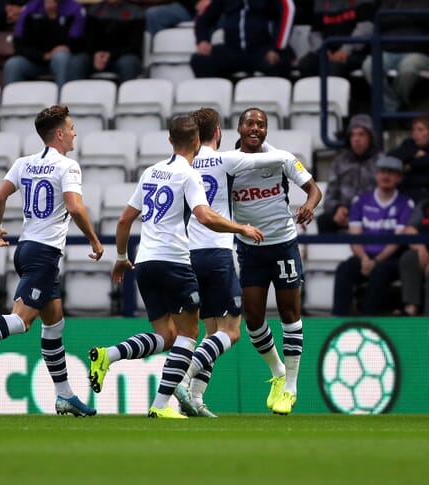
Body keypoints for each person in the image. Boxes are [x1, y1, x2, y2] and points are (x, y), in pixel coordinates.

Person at [87, 115, 264, 419]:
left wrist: (120, 257)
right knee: (188, 335)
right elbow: (205, 217)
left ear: (170, 141)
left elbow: (124, 219)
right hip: (174, 261)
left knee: (166, 337)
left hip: (143, 262)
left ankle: (108, 355)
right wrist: (241, 229)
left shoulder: (151, 171)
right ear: (197, 141)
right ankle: (160, 406)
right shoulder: (188, 174)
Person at [0, 105, 104, 417]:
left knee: (54, 325)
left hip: (27, 248)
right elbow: (75, 207)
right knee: (22, 321)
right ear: (59, 134)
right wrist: (94, 239)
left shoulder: (23, 163)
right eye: (71, 127)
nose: (75, 132)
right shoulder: (68, 166)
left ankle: (65, 396)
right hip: (44, 253)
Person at [166, 107, 297, 418]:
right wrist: (292, 161)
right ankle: (181, 378)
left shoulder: (179, 166)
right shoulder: (226, 159)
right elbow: (271, 159)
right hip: (218, 253)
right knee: (232, 330)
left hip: (186, 254)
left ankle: (196, 399)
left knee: (210, 331)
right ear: (219, 133)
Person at [232, 107, 322, 416]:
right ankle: (278, 371)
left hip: (283, 244)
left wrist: (309, 206)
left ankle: (291, 387)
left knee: (289, 313)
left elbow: (314, 190)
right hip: (249, 247)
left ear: (266, 131)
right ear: (239, 128)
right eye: (249, 123)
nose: (255, 128)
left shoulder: (282, 158)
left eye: (261, 124)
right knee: (253, 318)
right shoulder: (228, 164)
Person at [332, 156, 414, 316]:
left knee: (381, 271)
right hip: (364, 255)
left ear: (399, 177)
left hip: (391, 258)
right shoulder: (361, 201)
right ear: (376, 175)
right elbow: (354, 237)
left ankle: (368, 320)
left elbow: (396, 241)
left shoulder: (405, 203)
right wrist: (364, 258)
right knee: (345, 269)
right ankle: (338, 318)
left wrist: (376, 261)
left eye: (391, 173)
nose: (386, 176)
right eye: (382, 172)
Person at [190, 0, 295, 79]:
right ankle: (223, 97)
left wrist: (277, 48)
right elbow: (203, 19)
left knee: (280, 61)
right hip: (233, 50)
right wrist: (202, 40)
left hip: (263, 49)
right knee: (200, 60)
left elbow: (288, 9)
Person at [361, 0, 429, 113]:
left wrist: (398, 16)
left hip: (418, 52)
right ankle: (396, 108)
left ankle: (395, 108)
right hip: (388, 51)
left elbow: (424, 19)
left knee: (408, 68)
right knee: (369, 65)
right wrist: (408, 16)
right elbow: (379, 21)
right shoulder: (385, 3)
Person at [3, 0, 88, 88]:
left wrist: (52, 17)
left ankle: (61, 100)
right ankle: (15, 100)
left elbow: (75, 44)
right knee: (13, 64)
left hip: (64, 60)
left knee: (61, 57)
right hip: (37, 60)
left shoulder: (75, 9)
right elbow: (19, 45)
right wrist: (43, 56)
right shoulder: (30, 8)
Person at [318, 114, 380, 234]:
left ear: (371, 137)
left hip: (373, 214)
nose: (356, 139)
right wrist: (338, 209)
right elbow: (329, 198)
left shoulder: (381, 162)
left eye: (361, 134)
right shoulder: (339, 162)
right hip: (345, 213)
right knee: (324, 220)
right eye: (353, 135)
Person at [295, 0, 374, 79]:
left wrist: (345, 50)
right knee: (306, 64)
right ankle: (312, 91)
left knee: (334, 66)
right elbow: (315, 32)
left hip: (356, 52)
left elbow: (366, 28)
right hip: (328, 50)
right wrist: (322, 49)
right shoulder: (320, 2)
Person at [81, 0, 144, 84]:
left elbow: (134, 46)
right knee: (78, 61)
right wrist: (94, 54)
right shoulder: (94, 11)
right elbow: (88, 40)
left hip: (123, 57)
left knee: (128, 63)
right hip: (97, 57)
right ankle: (76, 95)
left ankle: (126, 96)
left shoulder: (136, 12)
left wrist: (110, 55)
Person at [399, 197, 429, 316]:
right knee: (409, 258)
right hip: (424, 249)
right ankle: (410, 310)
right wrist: (422, 249)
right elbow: (410, 229)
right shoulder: (424, 204)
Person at [388, 115, 429, 202]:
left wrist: (410, 164)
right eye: (413, 129)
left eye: (420, 130)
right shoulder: (408, 145)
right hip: (405, 197)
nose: (415, 133)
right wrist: (414, 155)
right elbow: (390, 158)